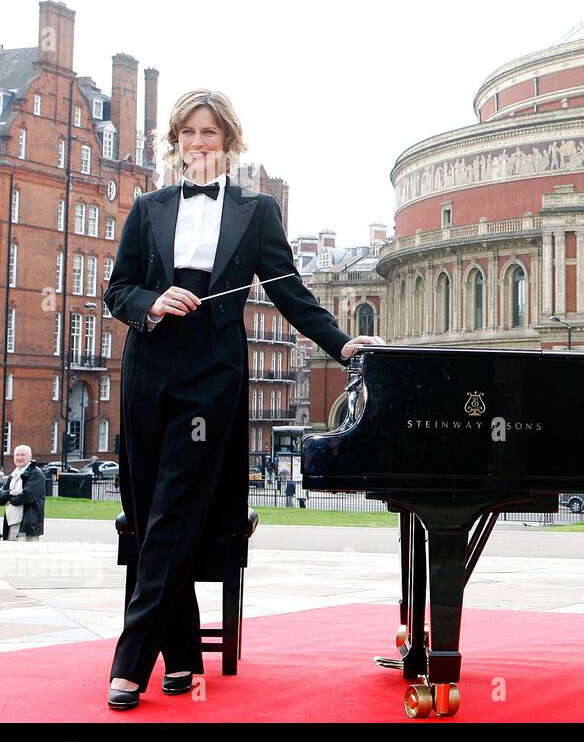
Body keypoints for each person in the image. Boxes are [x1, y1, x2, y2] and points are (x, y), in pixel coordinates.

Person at [103, 90, 382, 710]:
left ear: (229, 145)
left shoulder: (256, 214)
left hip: (213, 373)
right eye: (188, 135)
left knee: (175, 507)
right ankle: (180, 654)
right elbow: (116, 289)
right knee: (151, 511)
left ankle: (131, 658)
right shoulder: (147, 208)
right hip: (149, 368)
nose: (199, 145)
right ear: (174, 145)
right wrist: (150, 302)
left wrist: (338, 344)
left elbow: (290, 292)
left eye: (211, 135)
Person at [0, 445, 46, 541]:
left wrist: (9, 499)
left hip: (26, 524)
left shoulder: (36, 473)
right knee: (12, 551)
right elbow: (1, 497)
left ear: (30, 457)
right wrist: (12, 492)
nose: (19, 458)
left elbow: (27, 497)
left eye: (23, 455)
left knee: (25, 550)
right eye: (17, 455)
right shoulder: (14, 474)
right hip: (11, 522)